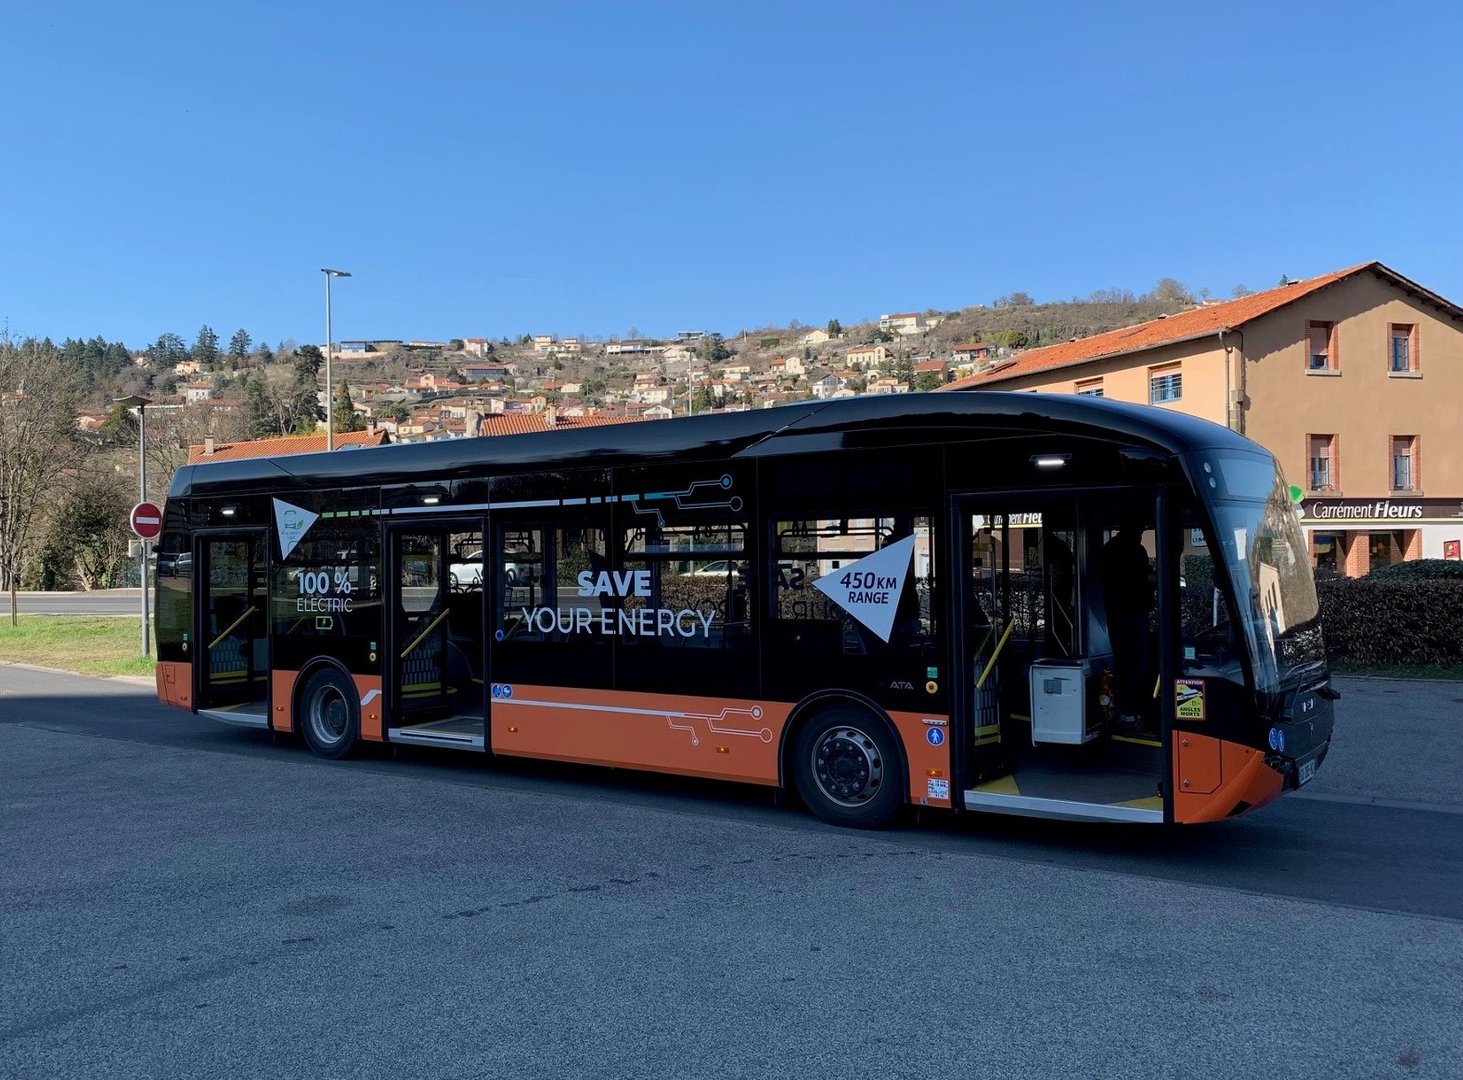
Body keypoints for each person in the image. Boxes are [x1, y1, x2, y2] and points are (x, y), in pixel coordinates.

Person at [1099, 514, 1156, 735]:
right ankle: (1133, 710)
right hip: (1131, 612)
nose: (1141, 535)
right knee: (1136, 663)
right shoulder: (1131, 551)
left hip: (1118, 612)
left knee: (1126, 662)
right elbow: (1141, 579)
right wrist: (1149, 581)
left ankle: (1127, 709)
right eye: (1140, 531)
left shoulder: (1110, 549)